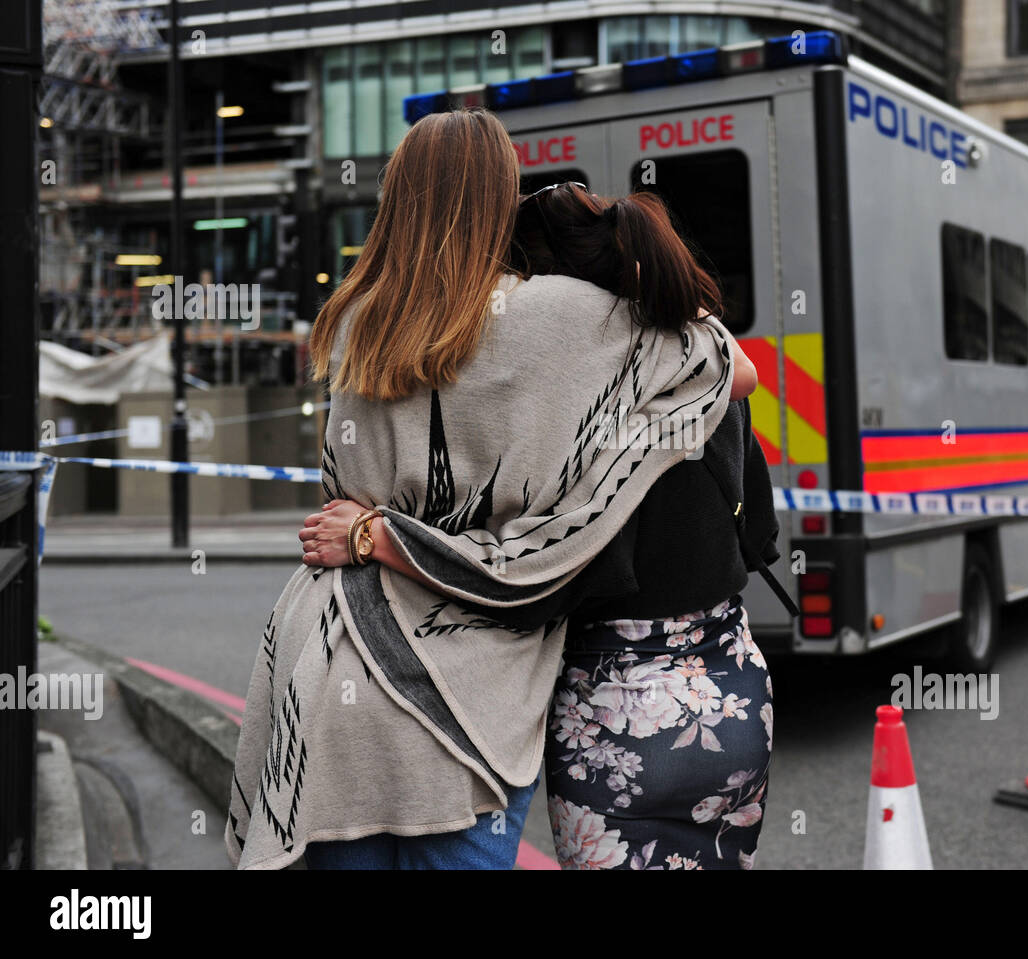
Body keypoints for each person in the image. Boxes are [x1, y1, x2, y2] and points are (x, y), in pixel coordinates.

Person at [224, 110, 742, 869]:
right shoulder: (561, 315)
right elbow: (725, 366)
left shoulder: (355, 317)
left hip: (329, 661)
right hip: (462, 690)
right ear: (501, 199)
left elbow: (346, 492)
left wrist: (370, 530)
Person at [509, 182, 781, 869]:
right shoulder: (713, 368)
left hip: (613, 713)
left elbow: (538, 573)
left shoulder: (568, 400)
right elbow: (759, 528)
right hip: (732, 695)